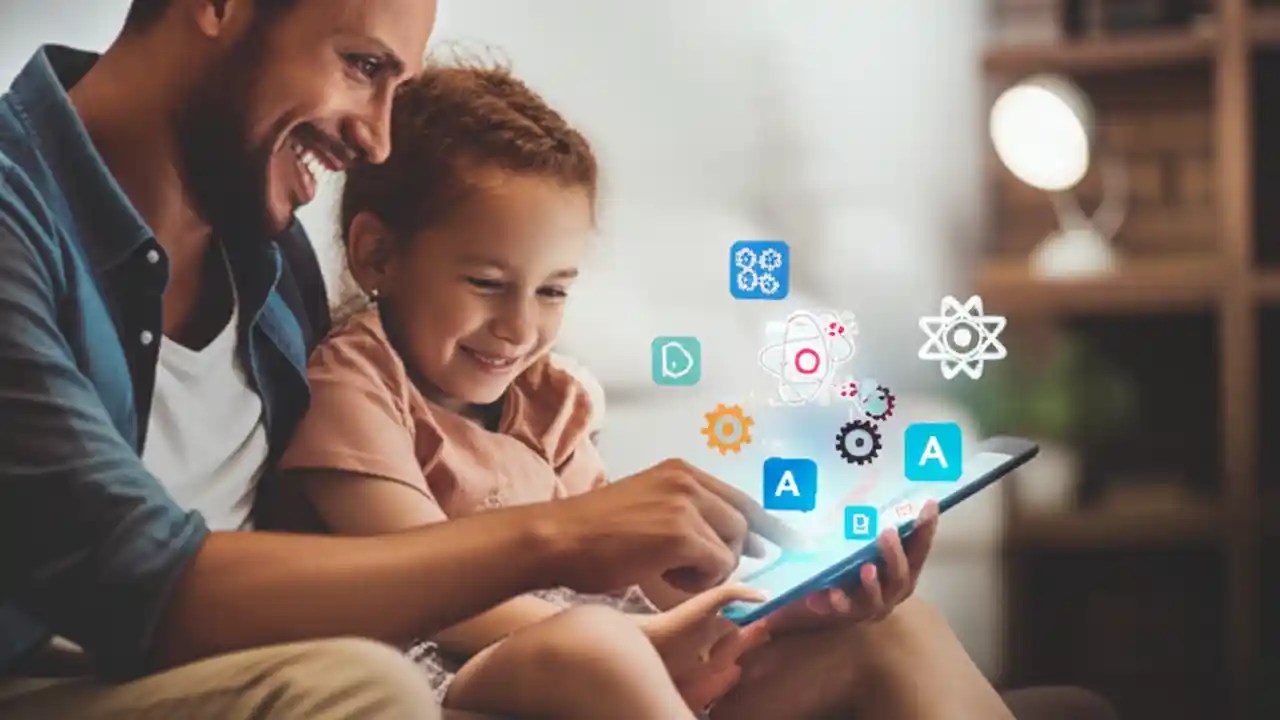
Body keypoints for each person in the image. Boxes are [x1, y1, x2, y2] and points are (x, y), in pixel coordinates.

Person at [0, 1, 955, 718]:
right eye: (360, 64)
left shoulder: (267, 247)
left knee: (872, 636)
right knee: (374, 685)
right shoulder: (16, 217)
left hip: (325, 663)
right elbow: (140, 582)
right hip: (80, 671)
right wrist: (567, 536)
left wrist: (751, 594)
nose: (374, 136)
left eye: (396, 88)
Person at [269, 60, 1015, 720]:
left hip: (628, 661)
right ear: (377, 254)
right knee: (596, 645)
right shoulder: (356, 384)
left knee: (894, 627)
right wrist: (642, 638)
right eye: (487, 284)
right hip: (455, 672)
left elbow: (637, 581)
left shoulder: (550, 400)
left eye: (554, 291)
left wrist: (782, 601)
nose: (519, 327)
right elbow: (422, 583)